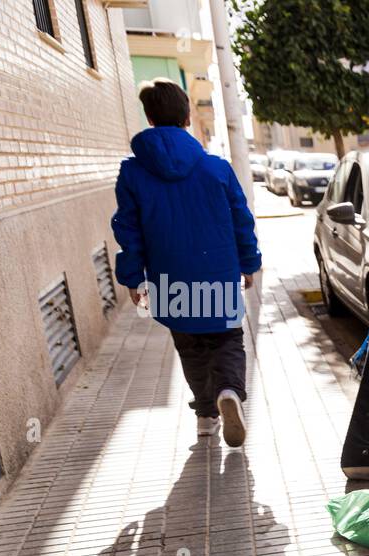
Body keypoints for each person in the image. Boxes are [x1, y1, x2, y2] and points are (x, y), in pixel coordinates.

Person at [111, 79, 261, 446]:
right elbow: (241, 219)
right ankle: (229, 392)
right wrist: (249, 262)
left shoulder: (132, 173)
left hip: (169, 278)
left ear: (149, 117)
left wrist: (133, 278)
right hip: (218, 274)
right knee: (227, 341)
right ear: (186, 116)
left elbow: (128, 229)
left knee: (191, 347)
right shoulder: (216, 169)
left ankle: (206, 416)